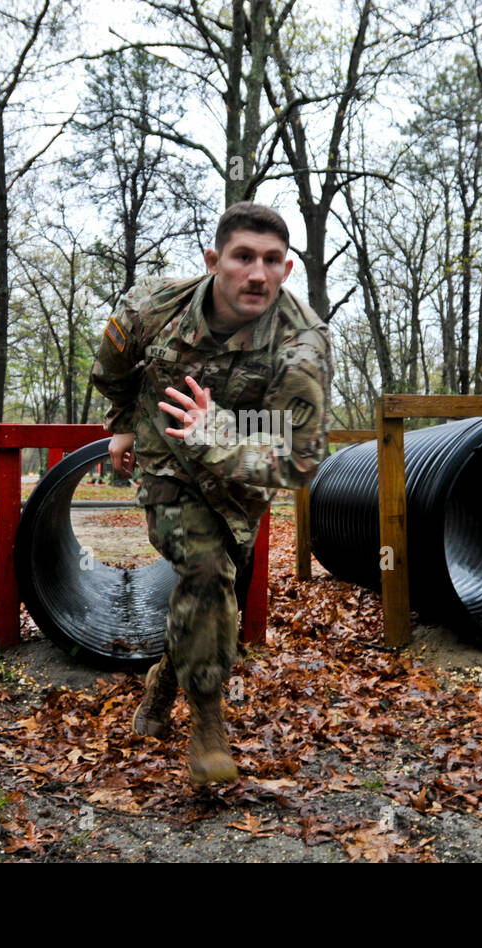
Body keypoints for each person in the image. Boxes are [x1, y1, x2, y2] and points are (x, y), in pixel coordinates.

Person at [90, 202, 333, 785]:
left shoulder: (303, 341)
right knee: (205, 570)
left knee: (213, 591)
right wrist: (122, 420)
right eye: (243, 257)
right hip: (166, 459)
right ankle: (208, 724)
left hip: (239, 481)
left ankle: (163, 683)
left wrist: (216, 433)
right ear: (212, 260)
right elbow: (113, 369)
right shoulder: (152, 306)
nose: (258, 274)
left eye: (273, 261)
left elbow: (299, 458)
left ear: (287, 269)